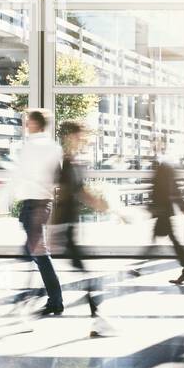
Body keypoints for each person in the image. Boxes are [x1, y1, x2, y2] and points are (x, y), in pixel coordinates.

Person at [53, 121, 120, 337]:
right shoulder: (66, 163)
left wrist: (97, 203)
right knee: (87, 275)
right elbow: (67, 194)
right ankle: (98, 319)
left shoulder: (72, 163)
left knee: (86, 274)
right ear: (70, 137)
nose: (82, 140)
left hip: (69, 227)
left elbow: (78, 191)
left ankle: (97, 319)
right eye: (79, 136)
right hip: (65, 228)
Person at [10, 109, 64, 315]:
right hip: (44, 203)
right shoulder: (53, 146)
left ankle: (54, 300)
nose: (25, 125)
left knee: (40, 255)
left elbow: (18, 175)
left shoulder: (30, 147)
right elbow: (58, 176)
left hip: (34, 205)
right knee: (32, 252)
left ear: (36, 124)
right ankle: (32, 295)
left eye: (28, 122)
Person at [131, 141, 184, 285]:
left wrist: (181, 205)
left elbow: (171, 188)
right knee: (164, 238)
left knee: (168, 240)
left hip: (163, 209)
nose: (152, 149)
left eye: (155, 147)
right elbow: (171, 188)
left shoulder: (164, 166)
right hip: (163, 209)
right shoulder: (162, 165)